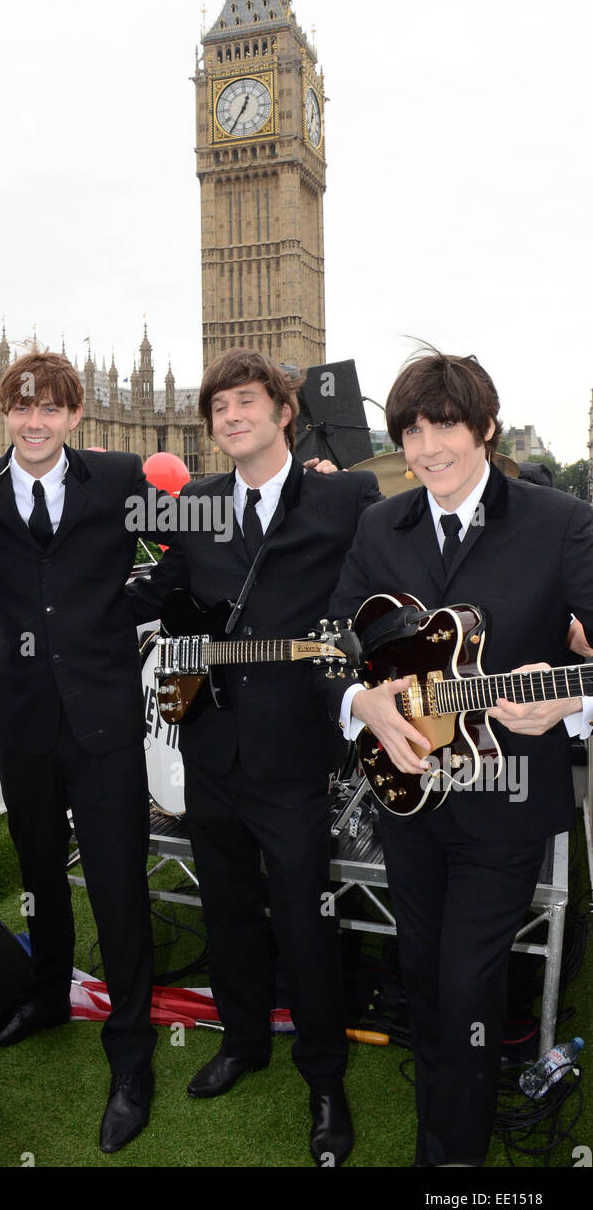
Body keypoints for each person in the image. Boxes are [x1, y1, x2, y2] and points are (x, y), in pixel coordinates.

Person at [327, 348, 593, 1167]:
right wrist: (362, 702)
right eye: (411, 430)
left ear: (485, 428)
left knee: (467, 982)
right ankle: (444, 1128)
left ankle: (452, 1165)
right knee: (424, 973)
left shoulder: (559, 522)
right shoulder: (380, 524)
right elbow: (333, 648)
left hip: (505, 804)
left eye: (444, 425)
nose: (427, 447)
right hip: (404, 803)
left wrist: (575, 700)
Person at [128, 348, 380, 1166]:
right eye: (219, 408)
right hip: (209, 740)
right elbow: (148, 592)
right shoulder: (192, 504)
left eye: (246, 403)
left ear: (283, 414)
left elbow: (385, 590)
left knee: (306, 923)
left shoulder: (343, 495)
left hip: (299, 748)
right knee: (228, 907)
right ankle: (242, 1041)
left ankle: (324, 1075)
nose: (230, 417)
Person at [0, 351, 166, 1154]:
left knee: (117, 882)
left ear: (75, 416)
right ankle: (47, 994)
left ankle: (131, 1053)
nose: (34, 423)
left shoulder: (120, 475)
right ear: (6, 414)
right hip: (26, 720)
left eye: (50, 410)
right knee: (38, 874)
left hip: (104, 721)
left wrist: (112, 612)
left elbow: (175, 561)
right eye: (21, 409)